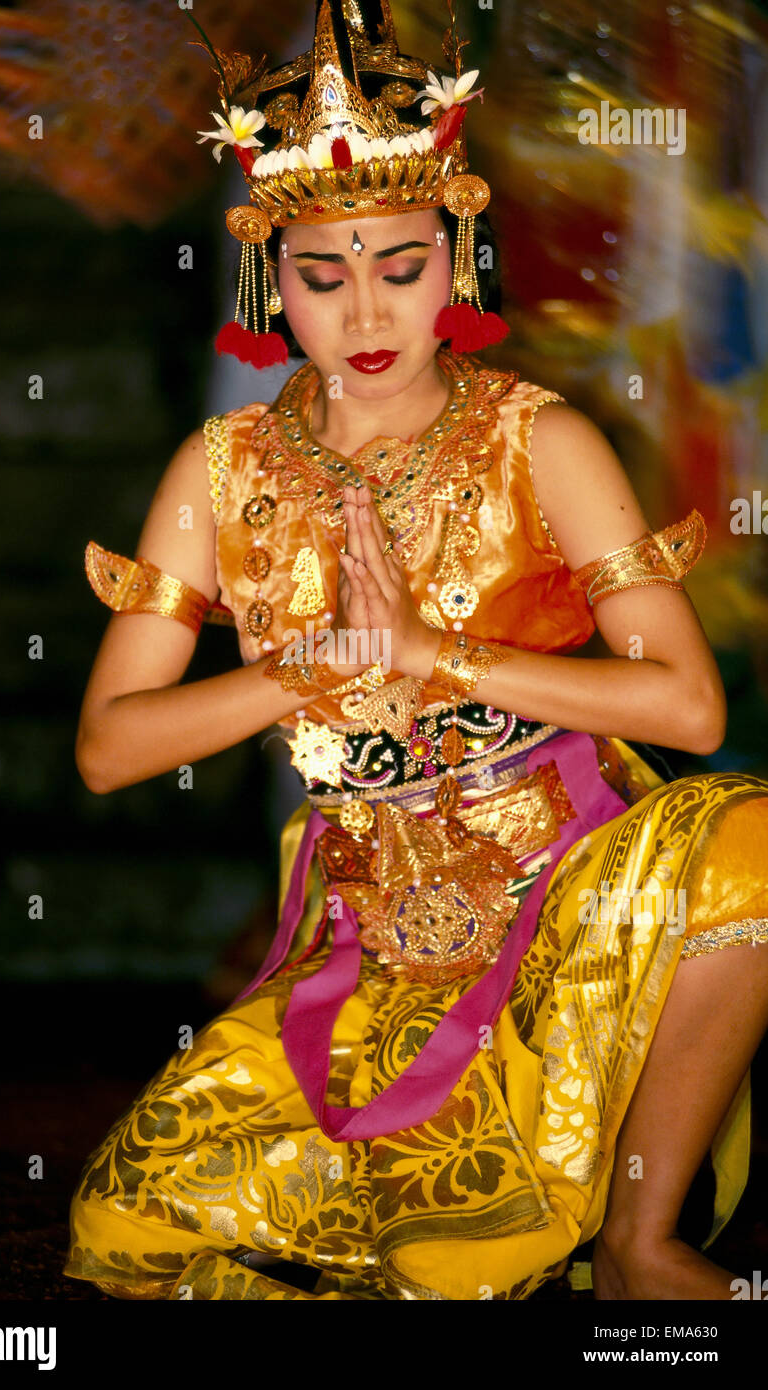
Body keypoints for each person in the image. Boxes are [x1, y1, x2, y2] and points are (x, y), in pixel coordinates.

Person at [63, 0, 768, 1301]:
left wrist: (437, 651)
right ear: (275, 276)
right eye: (325, 275)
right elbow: (110, 746)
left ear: (458, 257)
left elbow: (689, 700)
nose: (367, 308)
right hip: (369, 931)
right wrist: (306, 666)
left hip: (568, 892)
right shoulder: (220, 477)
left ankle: (639, 1231)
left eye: (403, 263)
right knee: (129, 1230)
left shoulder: (541, 441)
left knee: (752, 836)